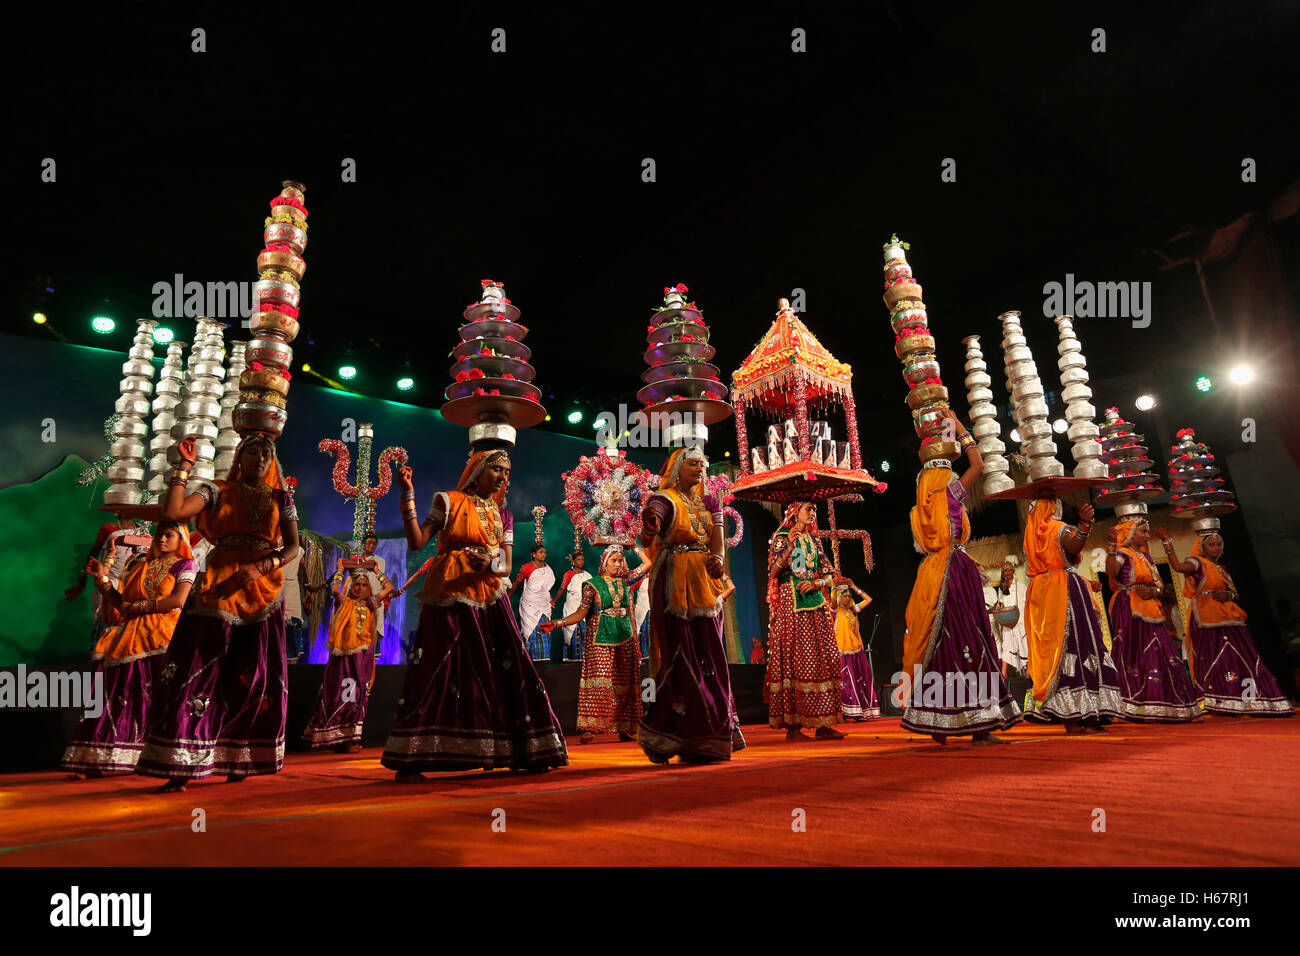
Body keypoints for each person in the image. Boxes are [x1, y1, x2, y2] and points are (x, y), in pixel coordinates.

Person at [381, 450, 567, 779]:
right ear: (477, 470)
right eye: (496, 468)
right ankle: (413, 756)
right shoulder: (448, 501)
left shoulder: (503, 515)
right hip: (450, 592)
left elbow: (506, 565)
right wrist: (407, 494)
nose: (502, 476)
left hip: (489, 592)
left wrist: (490, 565)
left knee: (505, 664)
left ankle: (520, 748)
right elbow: (416, 541)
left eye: (507, 471)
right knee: (441, 667)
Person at [133, 433, 300, 791]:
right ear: (239, 457)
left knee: (252, 674)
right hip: (216, 588)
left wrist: (259, 568)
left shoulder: (281, 498)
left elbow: (293, 547)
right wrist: (184, 467)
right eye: (251, 451)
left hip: (262, 589)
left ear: (272, 462)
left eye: (264, 453)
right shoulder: (216, 490)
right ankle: (180, 761)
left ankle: (239, 757)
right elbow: (174, 513)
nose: (258, 458)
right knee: (194, 672)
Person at [899, 413, 1021, 744]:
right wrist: (961, 429)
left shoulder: (921, 505)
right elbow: (978, 465)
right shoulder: (949, 493)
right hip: (956, 572)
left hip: (934, 575)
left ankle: (939, 722)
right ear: (942, 475)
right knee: (971, 640)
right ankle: (979, 727)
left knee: (941, 642)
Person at [61, 521, 196, 777]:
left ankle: (157, 759)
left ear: (182, 539)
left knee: (156, 701)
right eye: (160, 535)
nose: (162, 540)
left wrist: (140, 608)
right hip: (128, 637)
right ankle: (95, 759)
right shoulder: (138, 564)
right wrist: (102, 579)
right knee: (112, 698)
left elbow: (178, 600)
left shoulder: (185, 565)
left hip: (162, 640)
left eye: (169, 535)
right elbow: (121, 603)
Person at [637, 445, 745, 763]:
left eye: (703, 465)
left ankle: (712, 730)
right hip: (673, 580)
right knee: (679, 653)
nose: (700, 470)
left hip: (704, 584)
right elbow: (650, 527)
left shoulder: (710, 500)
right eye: (693, 464)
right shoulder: (664, 497)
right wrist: (651, 523)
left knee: (710, 653)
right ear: (677, 469)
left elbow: (718, 538)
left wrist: (717, 559)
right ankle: (673, 734)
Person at [1160, 531, 1293, 716]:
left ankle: (1250, 699)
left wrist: (1228, 595)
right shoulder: (1196, 563)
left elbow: (1235, 594)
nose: (1216, 548)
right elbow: (1178, 567)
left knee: (1243, 656)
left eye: (1219, 544)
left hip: (1229, 616)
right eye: (1212, 544)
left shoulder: (1222, 568)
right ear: (1202, 547)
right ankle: (1220, 698)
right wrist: (1167, 543)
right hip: (1207, 618)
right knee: (1216, 657)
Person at [1021, 498, 1123, 731]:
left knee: (1057, 652)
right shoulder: (1057, 528)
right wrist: (1084, 525)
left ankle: (1076, 717)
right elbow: (1074, 547)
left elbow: (1053, 565)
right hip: (1065, 593)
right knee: (1079, 646)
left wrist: (1086, 582)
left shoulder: (1031, 537)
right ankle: (1083, 715)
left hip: (1042, 594)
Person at [542, 545, 648, 742]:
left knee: (624, 684)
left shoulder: (626, 580)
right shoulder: (592, 585)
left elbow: (647, 563)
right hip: (600, 637)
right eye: (613, 560)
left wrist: (634, 546)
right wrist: (558, 623)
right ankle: (590, 728)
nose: (618, 564)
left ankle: (625, 728)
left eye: (620, 560)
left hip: (625, 637)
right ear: (604, 563)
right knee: (599, 681)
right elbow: (582, 613)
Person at [1105, 516, 1203, 722]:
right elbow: (1112, 573)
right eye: (1143, 532)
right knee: (1133, 652)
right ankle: (1133, 704)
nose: (1147, 536)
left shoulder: (1145, 558)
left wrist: (1153, 592)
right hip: (1130, 607)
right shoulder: (1123, 554)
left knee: (1160, 652)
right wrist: (1112, 545)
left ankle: (1165, 702)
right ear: (1131, 534)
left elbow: (1159, 586)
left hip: (1150, 607)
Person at [765, 501, 847, 740]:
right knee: (796, 657)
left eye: (814, 510)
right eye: (807, 509)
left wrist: (817, 583)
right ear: (794, 512)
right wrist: (789, 546)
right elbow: (773, 572)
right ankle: (793, 726)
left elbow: (829, 574)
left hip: (815, 602)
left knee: (823, 656)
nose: (812, 513)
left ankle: (824, 723)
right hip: (792, 602)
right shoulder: (781, 536)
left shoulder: (814, 540)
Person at [303, 571, 389, 752]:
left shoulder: (370, 604)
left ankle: (352, 739)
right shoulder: (343, 602)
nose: (360, 588)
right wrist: (340, 571)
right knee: (340, 695)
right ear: (351, 587)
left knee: (359, 696)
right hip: (343, 661)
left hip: (362, 658)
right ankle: (337, 739)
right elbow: (335, 590)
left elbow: (389, 589)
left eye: (364, 585)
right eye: (357, 584)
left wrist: (376, 571)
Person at [65, 516, 149, 641]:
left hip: (131, 586)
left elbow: (149, 547)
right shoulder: (109, 530)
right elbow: (96, 554)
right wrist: (85, 576)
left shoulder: (143, 531)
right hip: (109, 584)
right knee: (105, 625)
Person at [835, 583, 880, 720]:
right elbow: (831, 601)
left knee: (860, 680)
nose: (848, 598)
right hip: (843, 652)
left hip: (856, 650)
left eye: (849, 596)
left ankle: (860, 711)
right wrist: (833, 587)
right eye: (845, 596)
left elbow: (868, 599)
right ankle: (847, 712)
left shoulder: (852, 611)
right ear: (838, 597)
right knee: (847, 682)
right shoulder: (834, 611)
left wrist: (855, 587)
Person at [984, 558, 1028, 679]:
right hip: (1007, 623)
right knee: (1007, 645)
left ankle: (1028, 669)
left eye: (1009, 570)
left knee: (1024, 644)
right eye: (1005, 571)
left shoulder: (1021, 586)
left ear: (1013, 572)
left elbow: (1027, 603)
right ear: (1003, 574)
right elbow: (1001, 605)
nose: (1007, 573)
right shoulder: (1002, 589)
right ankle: (1004, 672)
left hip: (1020, 621)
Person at [511, 544, 557, 660]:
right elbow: (516, 583)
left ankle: (543, 657)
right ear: (534, 554)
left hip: (544, 604)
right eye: (541, 552)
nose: (543, 554)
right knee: (529, 629)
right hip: (530, 604)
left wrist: (551, 603)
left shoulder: (548, 568)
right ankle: (527, 658)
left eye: (544, 552)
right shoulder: (527, 567)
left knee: (544, 628)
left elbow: (545, 589)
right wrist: (507, 597)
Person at [553, 549, 592, 662]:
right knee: (572, 633)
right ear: (573, 561)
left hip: (585, 609)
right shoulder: (569, 574)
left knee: (585, 634)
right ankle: (571, 661)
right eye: (578, 560)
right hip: (572, 608)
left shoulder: (587, 575)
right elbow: (561, 589)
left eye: (582, 560)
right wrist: (554, 602)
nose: (581, 562)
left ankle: (585, 661)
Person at [282, 542, 307, 663]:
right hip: (276, 593)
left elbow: (303, 566)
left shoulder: (297, 551)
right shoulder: (268, 551)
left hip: (290, 593)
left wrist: (308, 588)